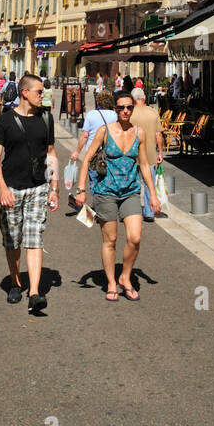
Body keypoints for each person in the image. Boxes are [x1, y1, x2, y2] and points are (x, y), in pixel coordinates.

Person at [75, 91, 160, 302]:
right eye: (121, 107)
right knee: (110, 240)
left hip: (131, 191)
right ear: (115, 109)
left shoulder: (139, 133)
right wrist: (81, 189)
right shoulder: (105, 131)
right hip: (106, 192)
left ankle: (125, 276)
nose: (125, 111)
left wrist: (153, 195)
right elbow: (87, 159)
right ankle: (112, 282)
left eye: (129, 107)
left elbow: (143, 165)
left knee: (135, 237)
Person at [0, 73, 59, 313]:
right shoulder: (4, 122)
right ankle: (15, 283)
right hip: (11, 188)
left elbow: (51, 154)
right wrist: (2, 189)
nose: (43, 95)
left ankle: (35, 292)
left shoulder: (46, 119)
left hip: (38, 187)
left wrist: (54, 188)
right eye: (39, 92)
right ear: (25, 93)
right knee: (12, 240)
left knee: (34, 238)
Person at [130, 86, 165, 222]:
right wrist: (160, 152)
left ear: (132, 100)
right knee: (148, 183)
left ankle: (131, 211)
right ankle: (149, 212)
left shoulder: (129, 113)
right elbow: (158, 134)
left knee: (132, 182)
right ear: (144, 98)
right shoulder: (153, 112)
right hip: (150, 154)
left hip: (132, 154)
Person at [69, 102, 118, 196]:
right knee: (108, 178)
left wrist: (77, 151)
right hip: (109, 152)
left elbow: (85, 135)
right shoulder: (114, 115)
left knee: (94, 179)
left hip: (93, 153)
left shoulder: (91, 114)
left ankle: (97, 201)